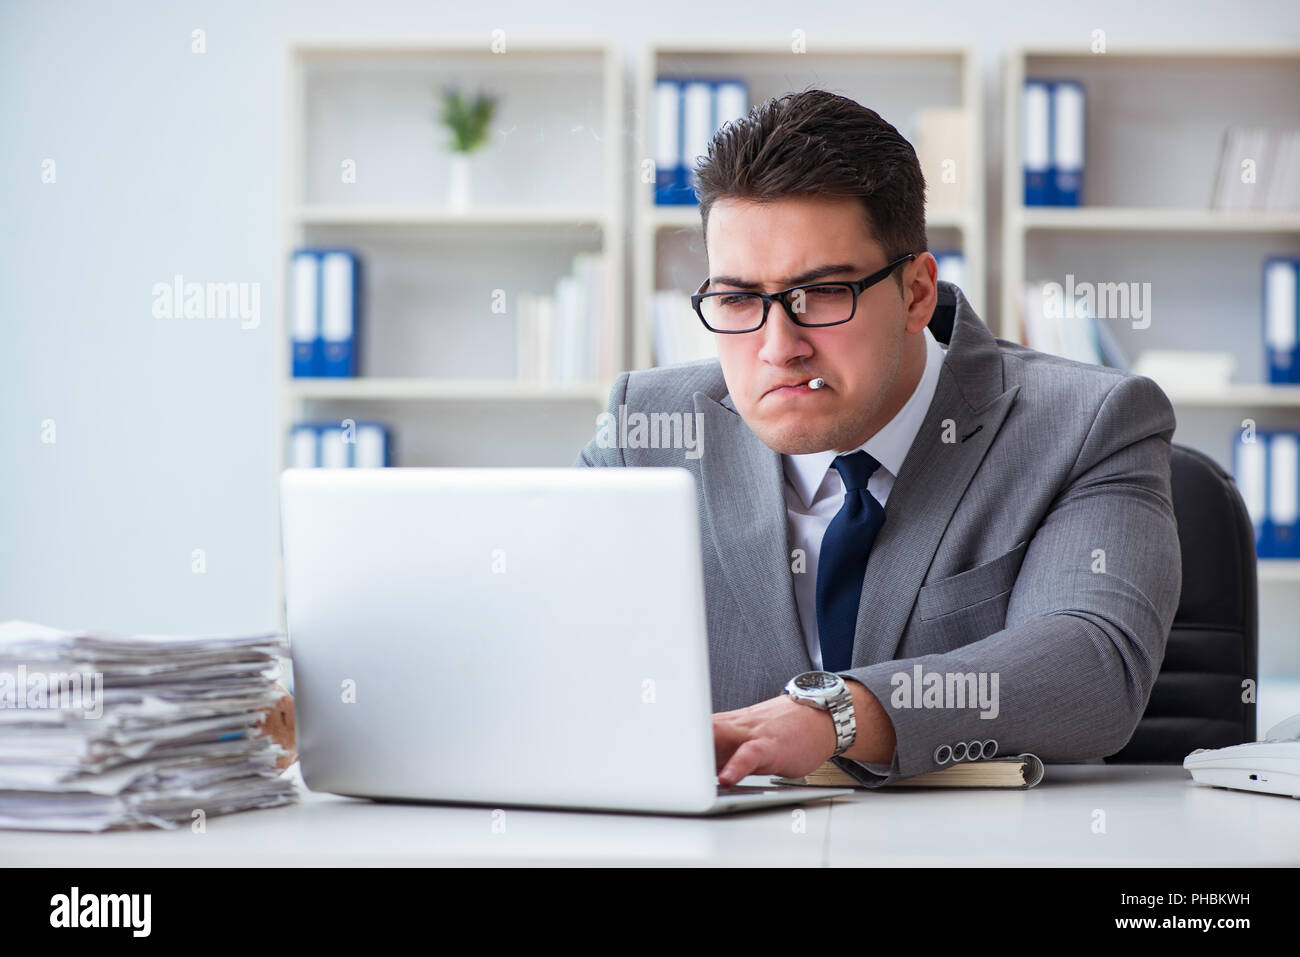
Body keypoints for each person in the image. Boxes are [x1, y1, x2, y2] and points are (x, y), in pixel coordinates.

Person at [575, 88, 1181, 788]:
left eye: (824, 292)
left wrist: (834, 714)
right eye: (739, 299)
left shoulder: (1088, 423)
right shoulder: (643, 433)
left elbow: (1093, 665)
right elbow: (548, 641)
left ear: (918, 292)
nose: (779, 347)